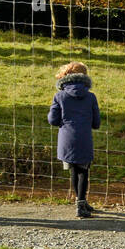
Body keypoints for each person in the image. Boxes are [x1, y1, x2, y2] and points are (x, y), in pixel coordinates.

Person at [48, 61, 101, 219]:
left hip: (67, 139)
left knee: (73, 170)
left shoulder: (59, 96)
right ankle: (82, 203)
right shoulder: (91, 97)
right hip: (84, 138)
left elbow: (52, 120)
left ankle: (80, 202)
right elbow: (96, 123)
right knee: (84, 171)